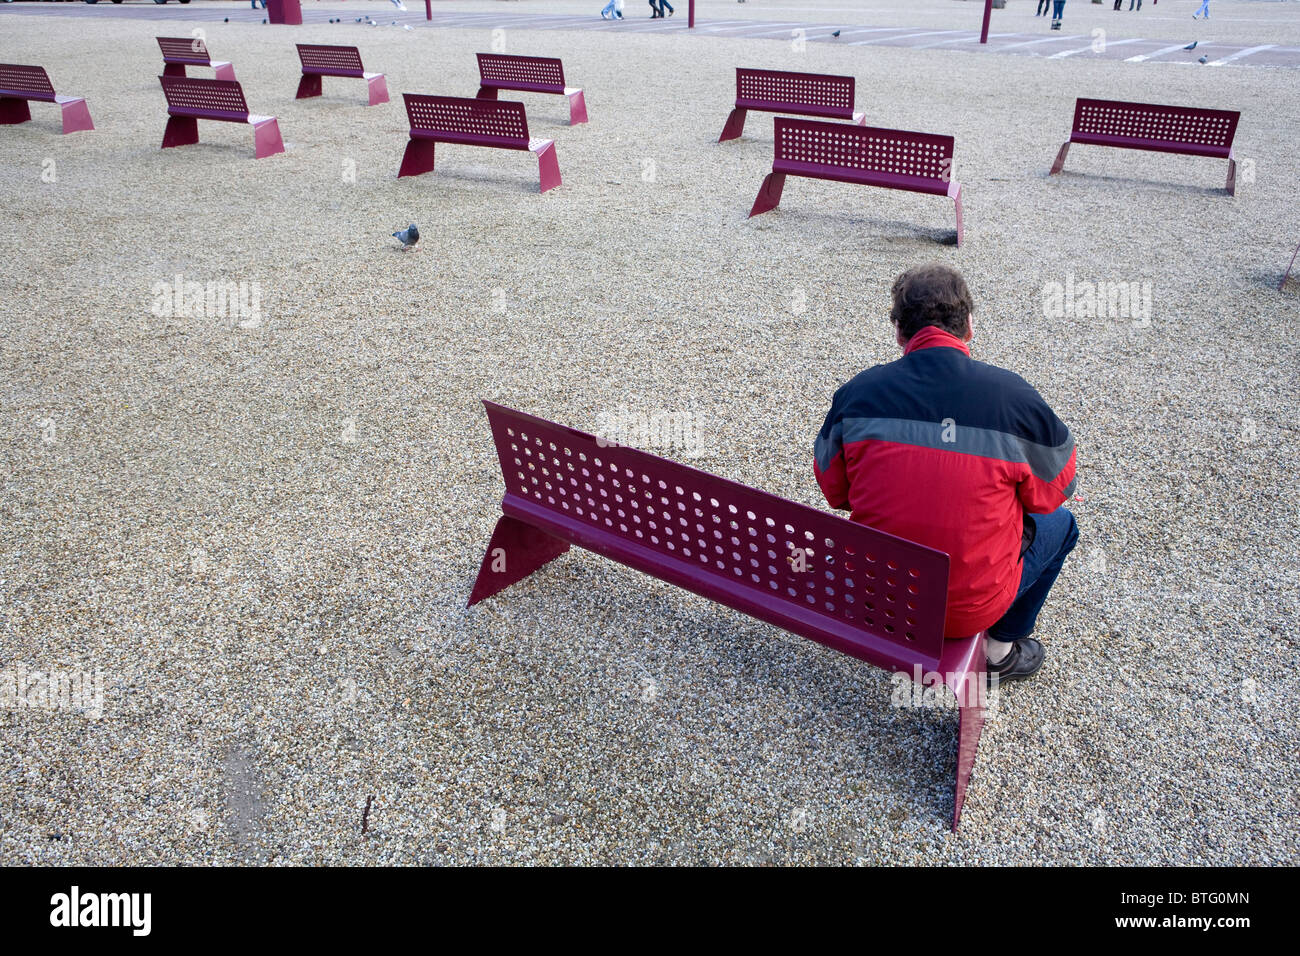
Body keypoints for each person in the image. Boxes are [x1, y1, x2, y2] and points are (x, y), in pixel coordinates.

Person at [813, 264, 1079, 682]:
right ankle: (998, 651)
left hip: (876, 594)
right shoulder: (1014, 397)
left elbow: (836, 491)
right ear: (969, 326)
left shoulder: (856, 394)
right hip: (966, 610)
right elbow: (1056, 489)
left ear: (900, 331)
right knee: (1062, 524)